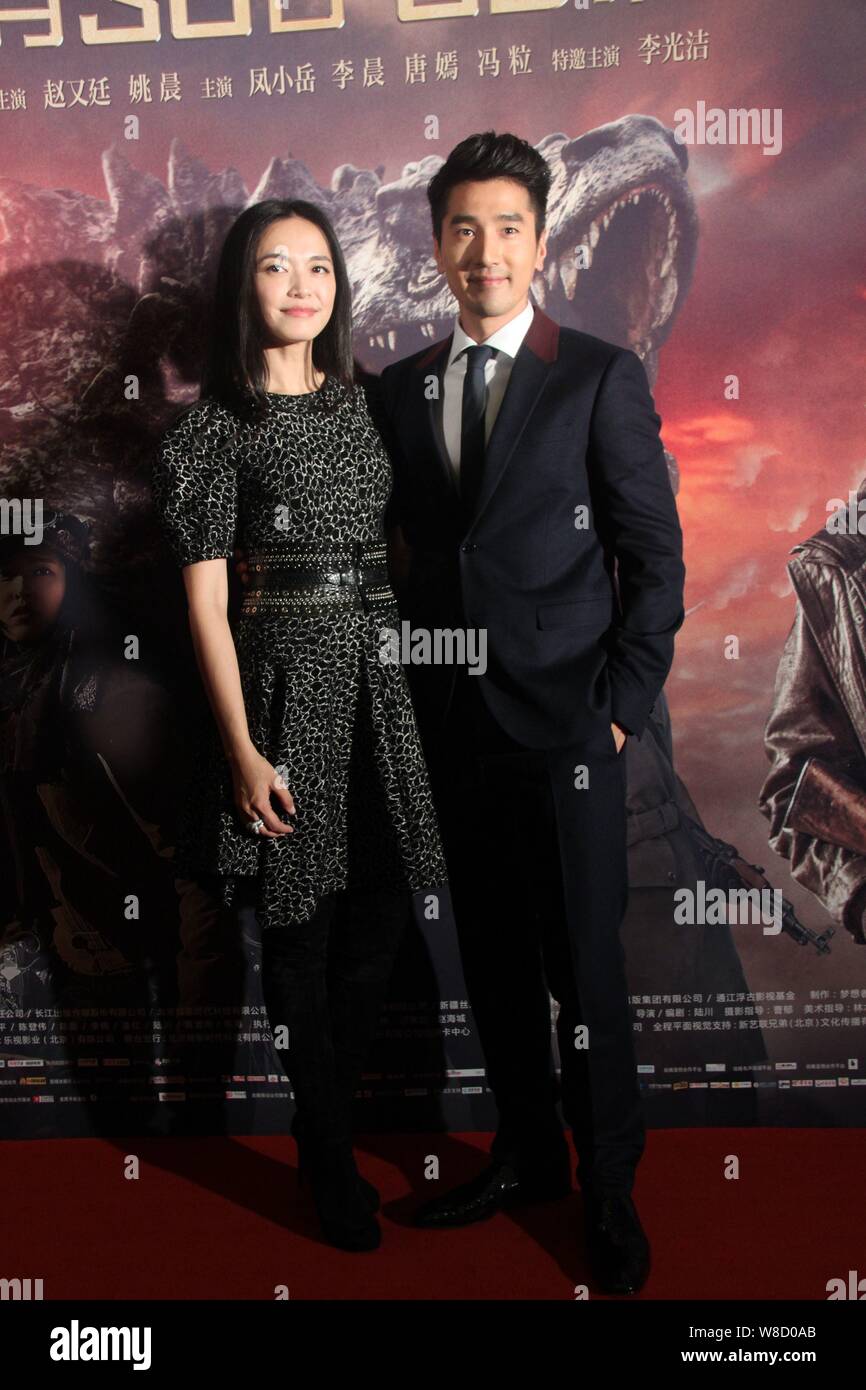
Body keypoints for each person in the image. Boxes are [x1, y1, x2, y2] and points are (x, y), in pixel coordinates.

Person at [375, 132, 685, 1294]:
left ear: (538, 242)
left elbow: (653, 560)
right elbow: (411, 553)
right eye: (462, 227)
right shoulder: (403, 389)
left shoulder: (596, 375)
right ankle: (523, 1158)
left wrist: (615, 709)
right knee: (495, 963)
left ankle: (606, 1187)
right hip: (454, 731)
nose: (485, 249)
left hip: (567, 732)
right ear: (439, 246)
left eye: (507, 226)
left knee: (583, 975)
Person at [151, 199, 448, 1252]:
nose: (299, 284)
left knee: (375, 923)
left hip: (379, 680)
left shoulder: (378, 408)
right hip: (279, 686)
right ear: (244, 287)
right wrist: (239, 747)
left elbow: (421, 548)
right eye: (274, 267)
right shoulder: (210, 429)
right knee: (298, 932)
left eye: (316, 265)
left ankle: (324, 1117)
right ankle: (325, 1158)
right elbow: (201, 606)